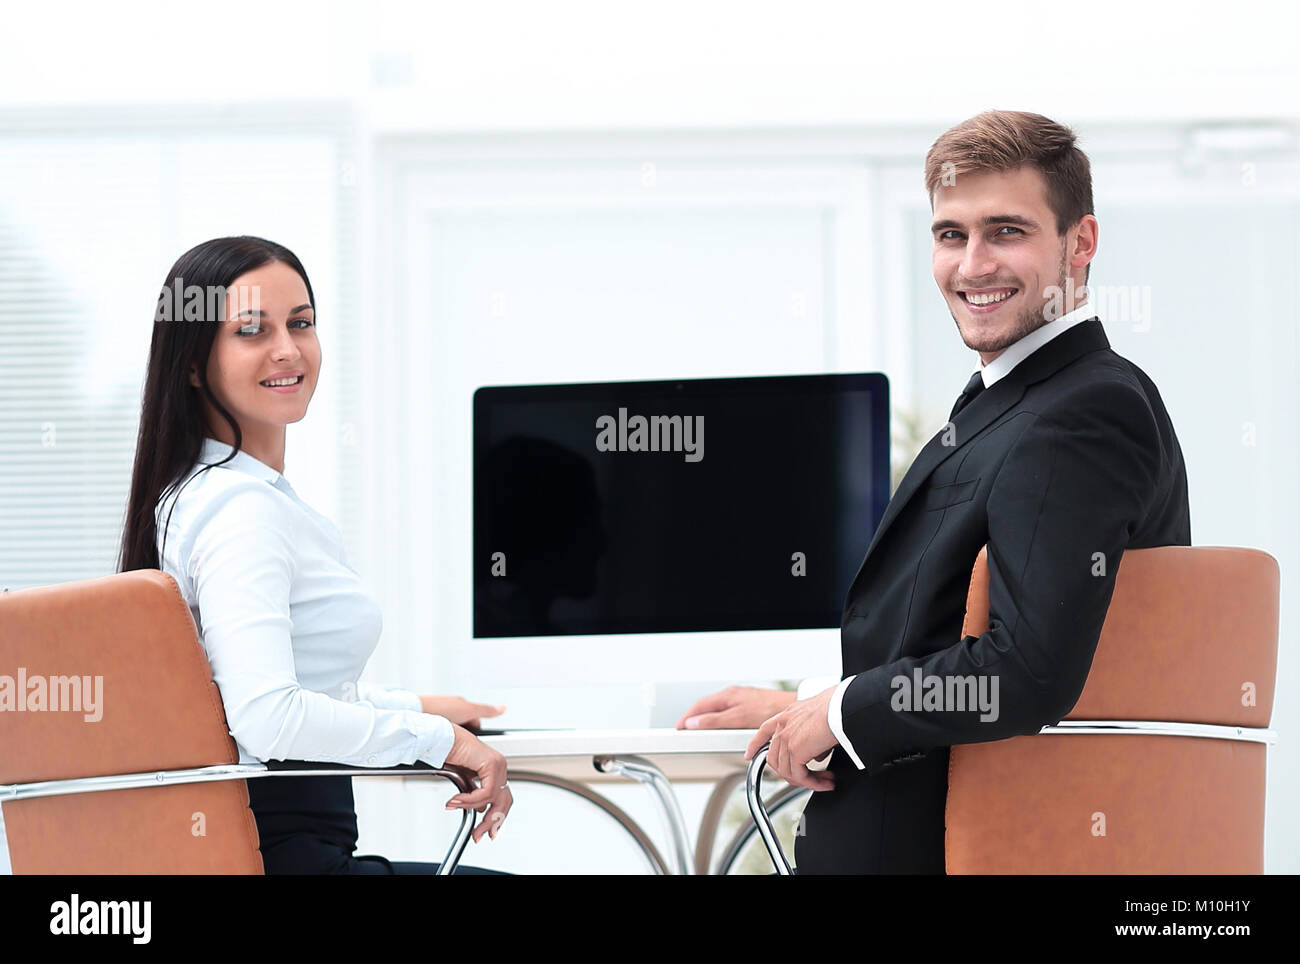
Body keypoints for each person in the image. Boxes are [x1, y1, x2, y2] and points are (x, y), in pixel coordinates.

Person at [676, 110, 1192, 874]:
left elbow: (1028, 671)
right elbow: (960, 632)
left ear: (1079, 243)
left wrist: (845, 712)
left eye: (1006, 232)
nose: (973, 264)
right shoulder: (1015, 399)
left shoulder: (1081, 411)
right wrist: (818, 703)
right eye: (951, 235)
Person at [118, 236, 512, 874]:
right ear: (193, 364)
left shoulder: (201, 495)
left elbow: (257, 689)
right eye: (252, 330)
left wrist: (417, 709)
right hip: (285, 859)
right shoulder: (240, 509)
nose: (287, 348)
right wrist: (441, 741)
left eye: (300, 323)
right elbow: (268, 719)